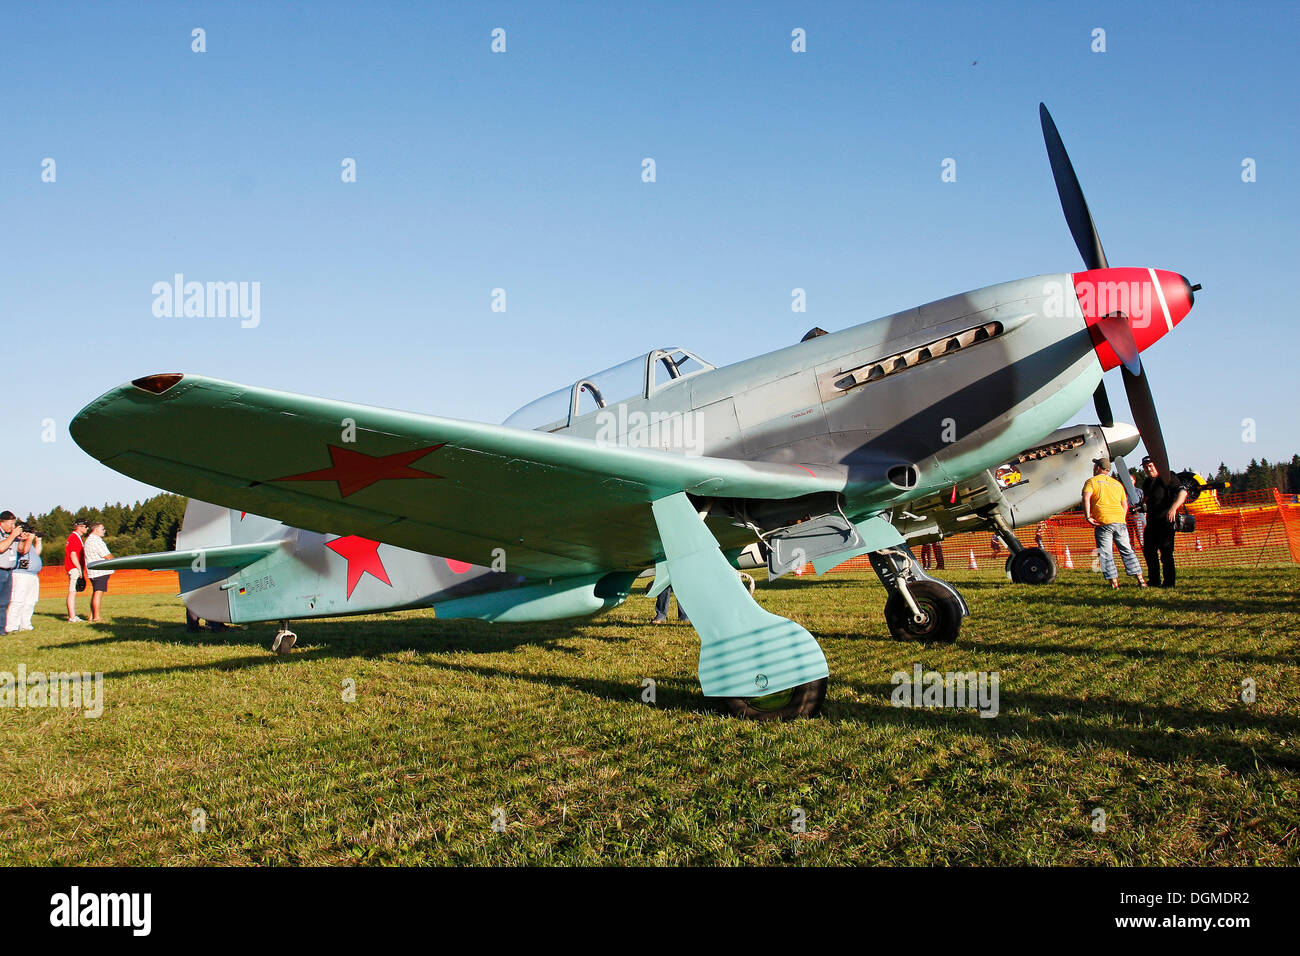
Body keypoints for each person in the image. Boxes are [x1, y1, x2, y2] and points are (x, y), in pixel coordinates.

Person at [1081, 456, 1145, 589]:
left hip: (1102, 522)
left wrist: (1087, 516)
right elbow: (1124, 503)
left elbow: (1086, 498)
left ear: (1098, 468)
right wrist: (1121, 516)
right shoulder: (1117, 484)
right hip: (1120, 521)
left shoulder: (1091, 482)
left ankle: (1114, 583)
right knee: (1127, 550)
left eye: (1095, 466)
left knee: (1105, 553)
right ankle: (1141, 579)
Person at [1140, 456, 1188, 588]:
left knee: (1166, 553)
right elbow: (1146, 500)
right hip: (1151, 523)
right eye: (1145, 467)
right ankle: (1154, 580)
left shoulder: (1168, 477)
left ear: (1157, 465)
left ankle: (1169, 582)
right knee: (1149, 551)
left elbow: (1182, 493)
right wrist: (1140, 507)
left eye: (1150, 466)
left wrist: (1173, 508)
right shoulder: (1147, 483)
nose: (1148, 469)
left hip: (1166, 522)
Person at [5, 525, 41, 633]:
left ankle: (25, 624)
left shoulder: (30, 543)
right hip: (21, 574)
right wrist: (28, 539)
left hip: (32, 575)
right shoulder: (18, 542)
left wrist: (38, 540)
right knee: (18, 600)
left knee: (30, 601)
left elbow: (37, 553)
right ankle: (12, 625)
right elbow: (24, 551)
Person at [83, 522, 114, 622]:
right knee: (98, 593)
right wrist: (116, 562)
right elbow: (107, 556)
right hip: (100, 571)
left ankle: (92, 616)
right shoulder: (96, 541)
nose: (104, 531)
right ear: (96, 530)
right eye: (102, 529)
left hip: (93, 571)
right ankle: (96, 617)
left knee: (96, 592)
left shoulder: (88, 540)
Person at [65, 517, 90, 622]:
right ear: (80, 527)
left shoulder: (75, 537)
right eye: (86, 526)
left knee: (73, 591)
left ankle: (72, 616)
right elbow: (73, 554)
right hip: (74, 567)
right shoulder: (75, 537)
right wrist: (79, 569)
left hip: (73, 567)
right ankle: (72, 616)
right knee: (72, 591)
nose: (87, 529)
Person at [0, 511, 22, 625]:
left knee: (4, 602)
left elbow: (22, 550)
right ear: (1, 523)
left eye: (14, 524)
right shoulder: (6, 535)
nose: (12, 527)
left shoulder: (11, 535)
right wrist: (13, 535)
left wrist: (24, 539)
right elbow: (1, 548)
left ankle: (2, 629)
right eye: (10, 523)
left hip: (9, 571)